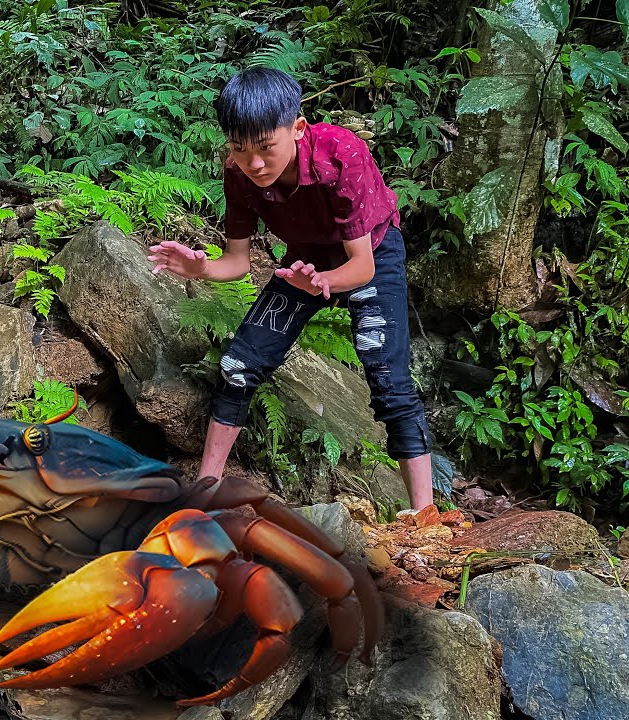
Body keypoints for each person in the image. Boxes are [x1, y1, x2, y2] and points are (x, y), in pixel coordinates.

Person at [147, 67, 434, 512]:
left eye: (265, 148)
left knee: (390, 382)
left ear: (297, 129)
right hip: (304, 259)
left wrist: (323, 282)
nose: (254, 163)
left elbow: (361, 267)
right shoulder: (239, 173)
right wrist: (199, 268)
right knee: (239, 365)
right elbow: (238, 263)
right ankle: (204, 488)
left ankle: (424, 515)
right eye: (240, 150)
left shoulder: (341, 155)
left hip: (372, 251)